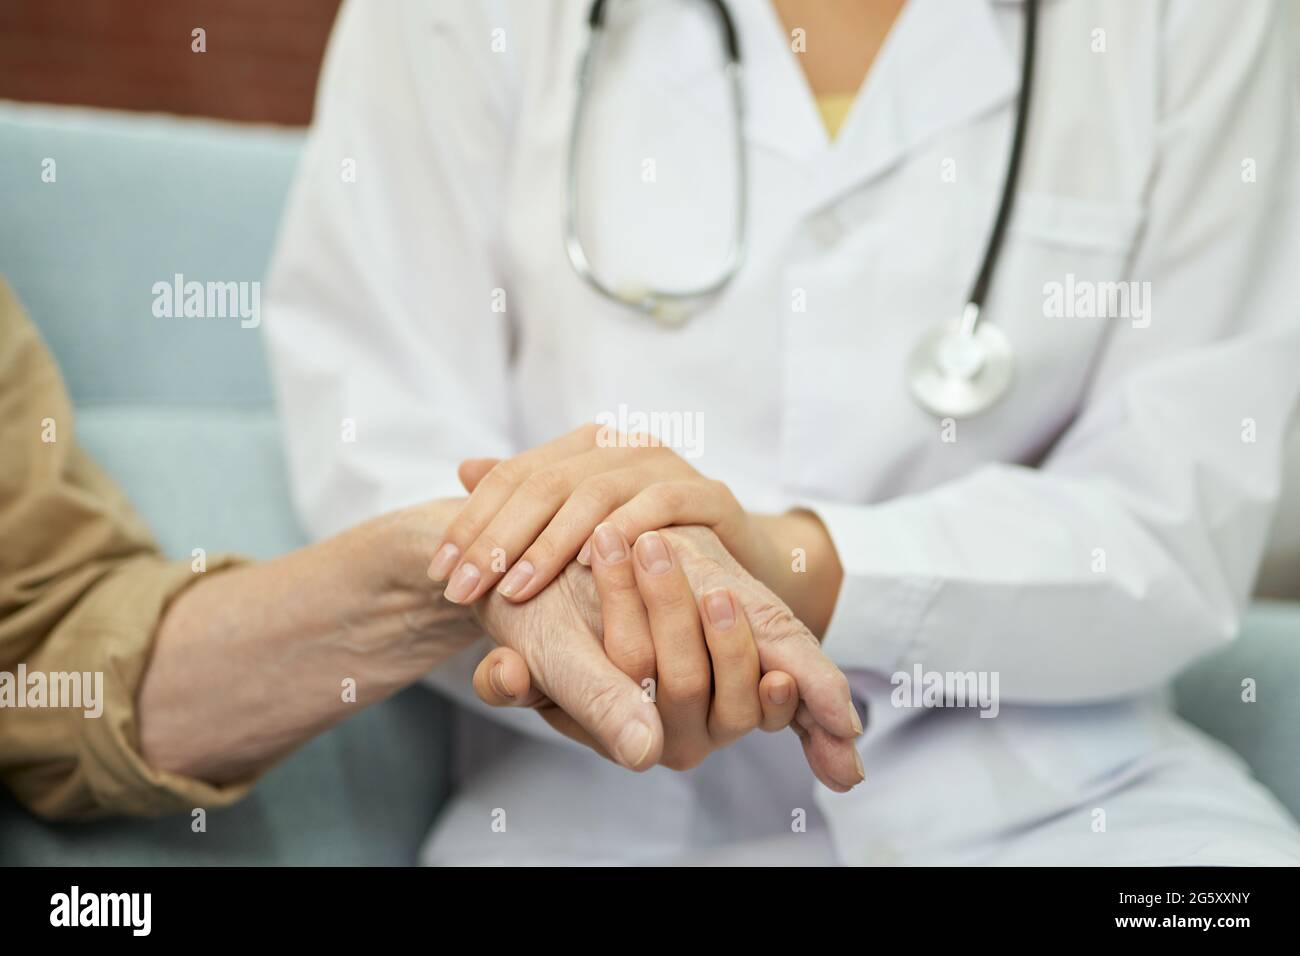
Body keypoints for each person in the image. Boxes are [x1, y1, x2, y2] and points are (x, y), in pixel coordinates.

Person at [264, 0, 1300, 864]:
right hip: (589, 803)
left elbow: (1174, 518)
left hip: (1068, 799)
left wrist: (787, 564)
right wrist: (602, 617)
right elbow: (379, 434)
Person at [0, 279, 857, 818]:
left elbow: (40, 643)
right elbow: (43, 669)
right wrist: (503, 554)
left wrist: (791, 562)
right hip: (564, 808)